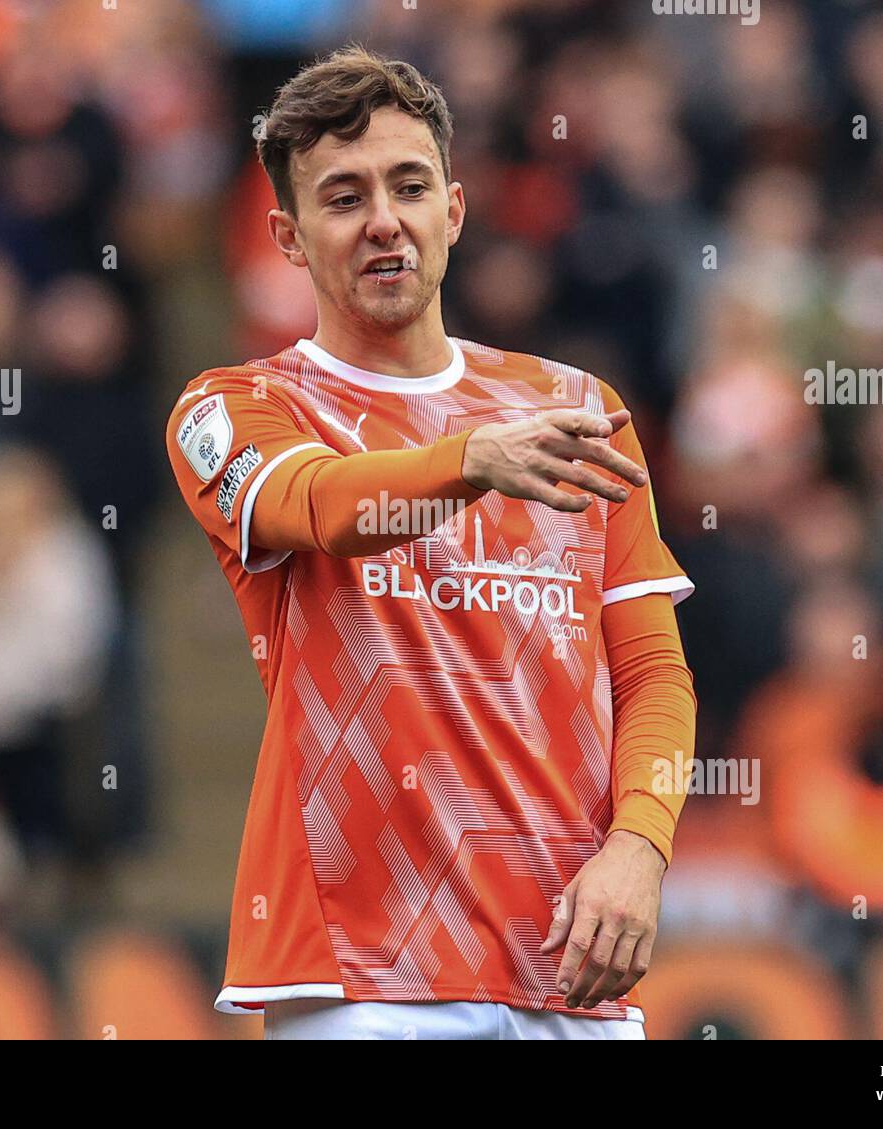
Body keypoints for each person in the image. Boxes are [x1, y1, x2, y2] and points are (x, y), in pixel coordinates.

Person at [166, 44, 697, 1040]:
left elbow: (652, 671)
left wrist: (641, 846)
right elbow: (316, 506)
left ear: (452, 209)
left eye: (409, 186)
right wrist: (470, 462)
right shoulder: (241, 406)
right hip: (360, 985)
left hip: (568, 971)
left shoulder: (579, 410)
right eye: (342, 196)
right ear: (286, 235)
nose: (383, 219)